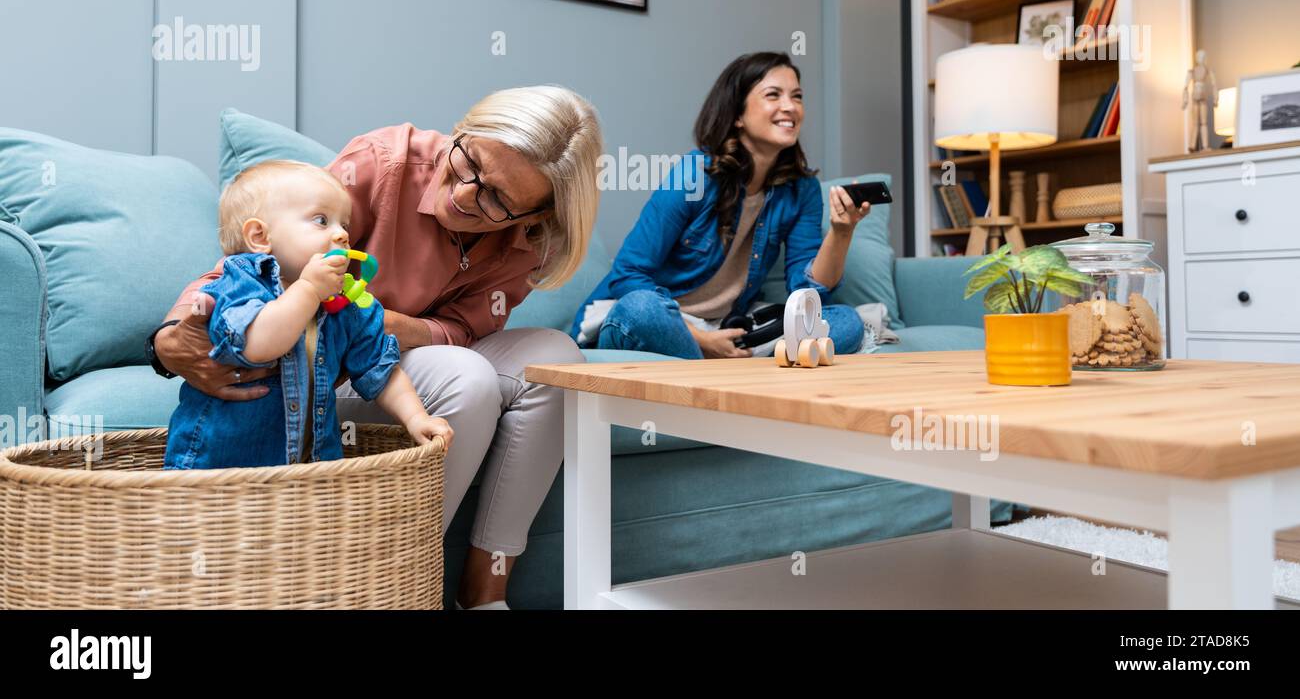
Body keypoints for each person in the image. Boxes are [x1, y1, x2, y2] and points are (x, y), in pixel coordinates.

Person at [151, 86, 602, 608]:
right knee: (467, 377)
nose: (464, 195)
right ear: (462, 130)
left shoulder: (526, 245)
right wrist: (171, 336)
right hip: (315, 379)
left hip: (386, 356)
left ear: (534, 217)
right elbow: (249, 265)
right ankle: (392, 577)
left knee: (557, 359)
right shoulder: (383, 165)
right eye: (468, 161)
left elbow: (463, 330)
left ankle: (484, 589)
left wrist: (382, 323)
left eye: (498, 200)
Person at [572, 52, 868, 359]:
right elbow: (628, 273)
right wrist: (700, 338)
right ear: (737, 115)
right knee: (640, 309)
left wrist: (841, 231)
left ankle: (735, 374)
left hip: (726, 327)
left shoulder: (800, 189)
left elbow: (808, 294)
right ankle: (727, 373)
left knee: (845, 321)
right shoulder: (694, 175)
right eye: (773, 95)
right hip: (670, 322)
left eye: (797, 96)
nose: (790, 107)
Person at [163, 161, 449, 470]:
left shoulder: (344, 304)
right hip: (216, 470)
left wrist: (416, 417)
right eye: (321, 220)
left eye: (345, 225)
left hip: (308, 471)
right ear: (260, 236)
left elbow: (381, 369)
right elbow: (257, 345)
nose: (341, 235)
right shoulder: (241, 283)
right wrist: (309, 289)